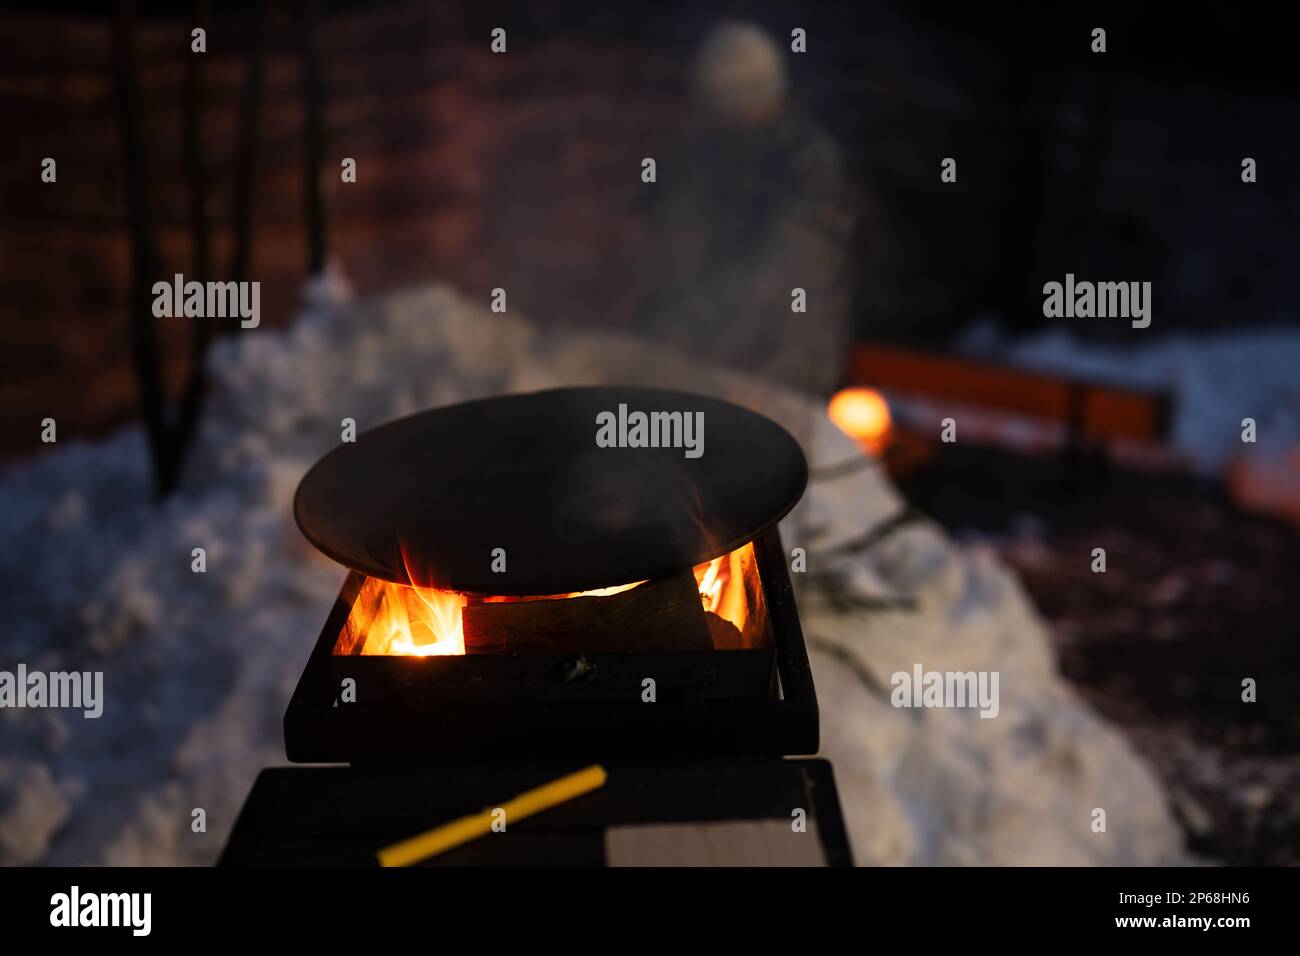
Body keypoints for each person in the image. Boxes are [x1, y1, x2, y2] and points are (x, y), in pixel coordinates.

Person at [637, 21, 854, 396]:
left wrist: (688, 334)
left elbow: (783, 278)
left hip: (783, 369)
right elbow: (674, 241)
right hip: (716, 358)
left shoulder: (805, 164)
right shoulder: (709, 152)